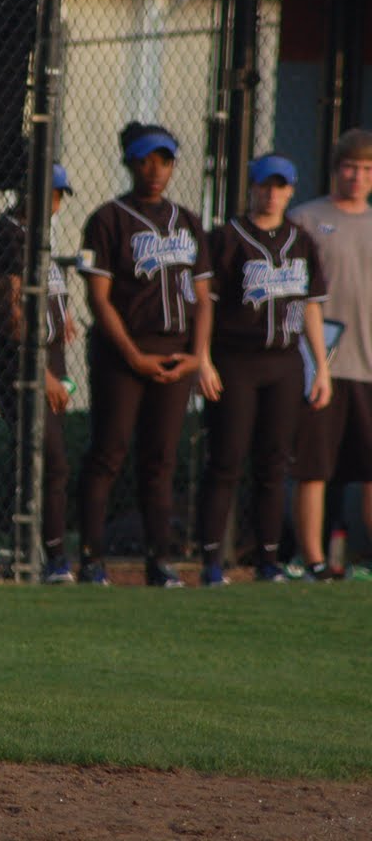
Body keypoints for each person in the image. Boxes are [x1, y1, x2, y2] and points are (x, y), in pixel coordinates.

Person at [73, 122, 212, 587]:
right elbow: (99, 299)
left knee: (161, 458)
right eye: (146, 159)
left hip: (175, 353)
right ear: (130, 162)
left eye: (165, 160)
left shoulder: (189, 222)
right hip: (123, 354)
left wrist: (198, 354)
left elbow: (204, 296)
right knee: (109, 452)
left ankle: (161, 560)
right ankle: (91, 559)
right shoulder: (107, 218)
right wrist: (133, 356)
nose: (156, 169)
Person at [195, 153, 331, 586]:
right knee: (227, 459)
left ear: (291, 191)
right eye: (265, 186)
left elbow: (310, 306)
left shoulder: (301, 239)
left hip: (284, 362)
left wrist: (321, 368)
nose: (272, 194)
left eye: (280, 186)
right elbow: (206, 306)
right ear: (251, 188)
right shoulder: (227, 238)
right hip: (236, 360)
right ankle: (213, 560)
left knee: (274, 462)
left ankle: (269, 561)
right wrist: (203, 359)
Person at [0, 162, 78, 583]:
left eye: (57, 194)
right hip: (19, 359)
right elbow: (12, 315)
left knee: (45, 458)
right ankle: (44, 558)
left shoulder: (38, 238)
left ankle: (37, 554)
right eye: (47, 193)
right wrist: (43, 374)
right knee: (46, 459)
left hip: (47, 358)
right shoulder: (9, 236)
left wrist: (62, 311)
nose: (54, 202)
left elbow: (42, 294)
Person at [287, 128, 372, 581]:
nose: (357, 177)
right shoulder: (305, 219)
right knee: (314, 467)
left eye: (366, 169)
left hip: (368, 366)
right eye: (350, 167)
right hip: (320, 367)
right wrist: (314, 360)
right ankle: (314, 560)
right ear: (335, 168)